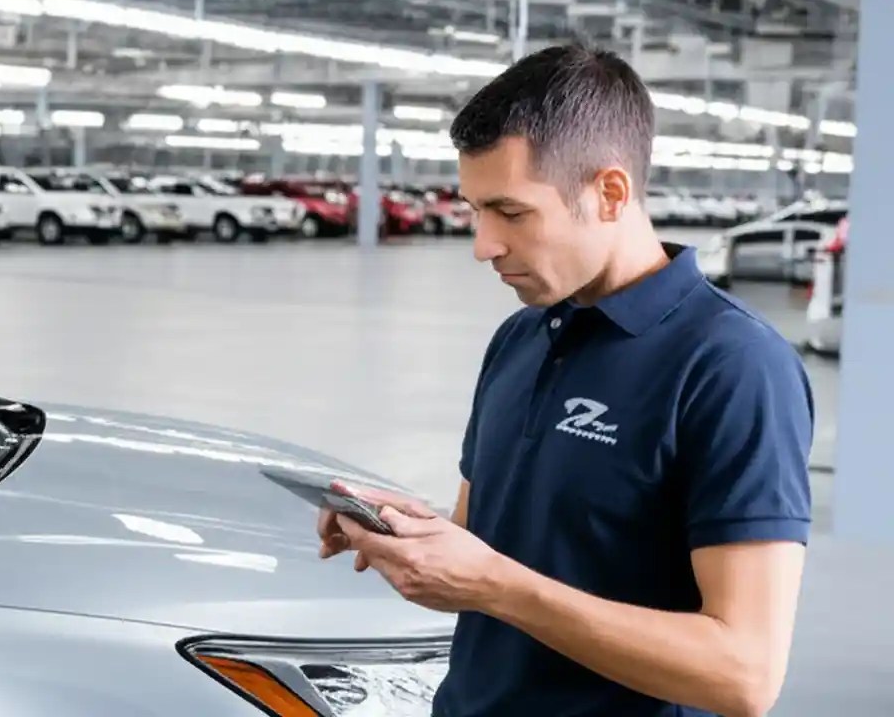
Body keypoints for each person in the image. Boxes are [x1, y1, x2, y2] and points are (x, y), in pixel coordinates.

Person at [318, 42, 813, 717]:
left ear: (610, 193)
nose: (482, 245)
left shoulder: (732, 367)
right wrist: (403, 531)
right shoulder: (521, 337)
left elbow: (743, 675)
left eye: (511, 212)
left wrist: (494, 584)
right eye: (474, 211)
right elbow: (487, 544)